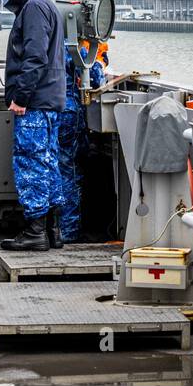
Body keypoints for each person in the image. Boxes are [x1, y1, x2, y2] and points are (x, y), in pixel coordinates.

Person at [0, 0, 67, 251]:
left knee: (31, 163)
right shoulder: (43, 3)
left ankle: (35, 232)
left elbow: (34, 57)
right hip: (48, 99)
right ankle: (52, 231)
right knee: (48, 163)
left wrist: (20, 98)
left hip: (35, 101)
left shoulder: (34, 8)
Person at [56, 40, 108, 243]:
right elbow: (96, 79)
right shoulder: (74, 48)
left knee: (49, 167)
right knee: (69, 171)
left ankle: (47, 228)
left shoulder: (42, 44)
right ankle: (68, 230)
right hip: (68, 111)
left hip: (46, 110)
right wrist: (100, 61)